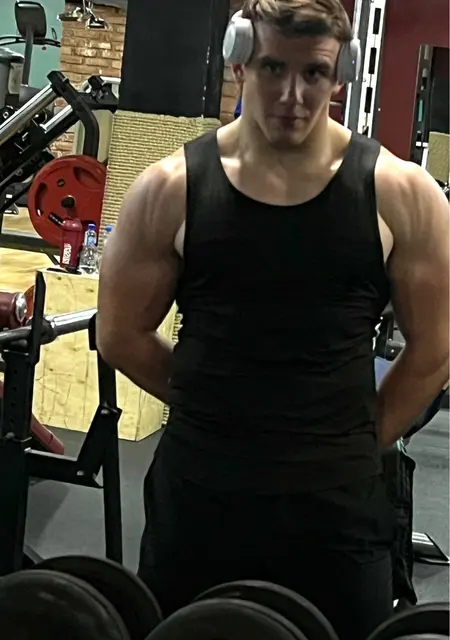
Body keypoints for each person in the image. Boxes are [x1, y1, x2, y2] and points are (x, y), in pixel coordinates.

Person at [97, 1, 450, 637]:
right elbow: (120, 333)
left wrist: (356, 437)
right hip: (201, 492)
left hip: (338, 507)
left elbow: (436, 348)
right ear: (239, 63)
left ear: (340, 73)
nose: (292, 95)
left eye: (314, 73)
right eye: (272, 68)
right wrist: (212, 406)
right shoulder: (171, 188)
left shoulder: (401, 192)